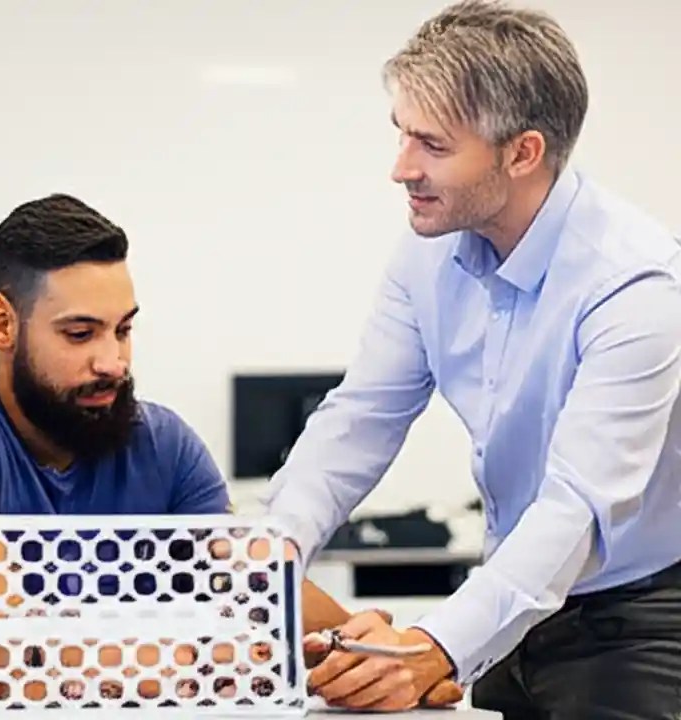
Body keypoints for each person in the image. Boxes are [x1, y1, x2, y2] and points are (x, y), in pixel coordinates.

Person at [0, 193, 462, 706]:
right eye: (80, 334)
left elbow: (254, 582)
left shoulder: (164, 443)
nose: (114, 362)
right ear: (2, 324)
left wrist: (383, 655)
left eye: (123, 329)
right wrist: (190, 657)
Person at [263, 1, 681, 716]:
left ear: (522, 153)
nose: (401, 169)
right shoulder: (426, 254)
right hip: (508, 608)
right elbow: (361, 416)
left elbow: (576, 507)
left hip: (634, 625)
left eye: (432, 145)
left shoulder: (636, 285)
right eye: (401, 135)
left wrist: (436, 643)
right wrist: (274, 549)